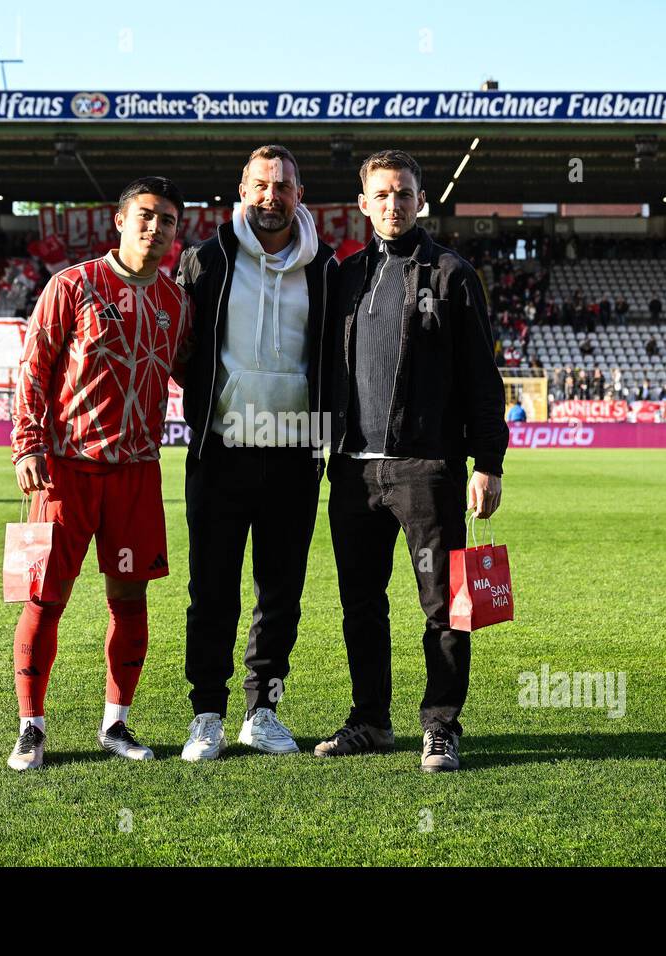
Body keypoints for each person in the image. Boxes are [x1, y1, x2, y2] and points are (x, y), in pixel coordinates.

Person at [319, 149, 508, 773]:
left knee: (448, 603)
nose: (393, 205)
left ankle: (442, 726)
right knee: (361, 603)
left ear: (420, 200)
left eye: (403, 194)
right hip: (352, 469)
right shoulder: (345, 274)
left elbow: (483, 375)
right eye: (381, 195)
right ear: (363, 203)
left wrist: (489, 461)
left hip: (428, 468)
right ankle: (370, 720)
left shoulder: (452, 274)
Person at [7, 176, 193, 771]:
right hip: (63, 469)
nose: (155, 227)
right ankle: (31, 726)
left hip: (136, 474)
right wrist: (27, 444)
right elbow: (33, 366)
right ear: (119, 221)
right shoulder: (73, 284)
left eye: (166, 219)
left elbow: (192, 375)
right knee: (43, 597)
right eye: (145, 215)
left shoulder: (176, 302)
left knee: (129, 600)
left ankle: (116, 723)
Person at [175, 145, 338, 762]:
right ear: (241, 190)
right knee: (211, 589)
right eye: (261, 185)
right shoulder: (206, 261)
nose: (272, 197)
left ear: (301, 195)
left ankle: (262, 711)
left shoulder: (326, 271)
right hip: (220, 452)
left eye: (284, 186)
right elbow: (179, 346)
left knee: (281, 592)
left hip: (295, 453)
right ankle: (207, 715)